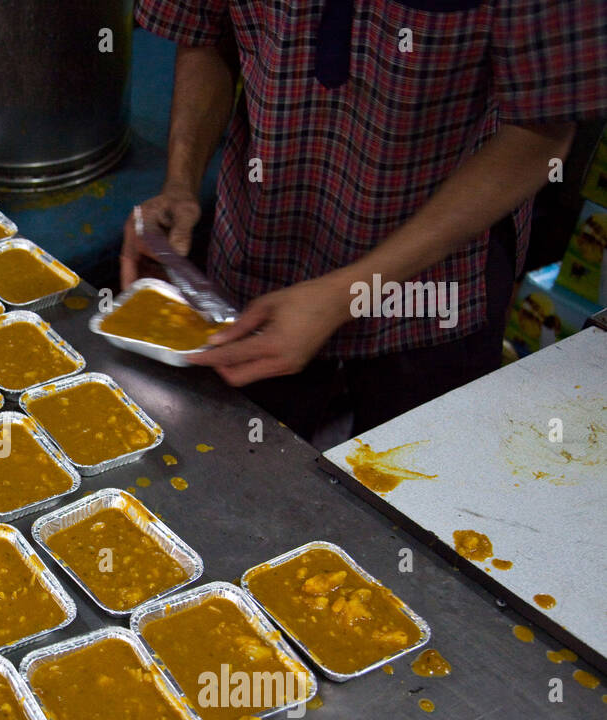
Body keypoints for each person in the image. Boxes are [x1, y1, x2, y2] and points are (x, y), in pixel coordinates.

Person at [121, 0, 607, 441]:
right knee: (238, 458)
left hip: (436, 285)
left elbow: (539, 135)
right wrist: (180, 184)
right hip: (264, 244)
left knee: (414, 496)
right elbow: (205, 33)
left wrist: (348, 292)